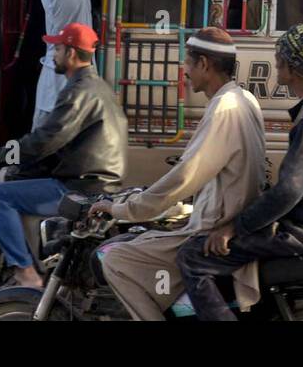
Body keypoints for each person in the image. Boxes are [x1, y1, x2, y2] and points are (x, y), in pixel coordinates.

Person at [177, 25, 303, 321]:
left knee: (192, 257)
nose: (275, 67)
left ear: (290, 67)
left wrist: (234, 227)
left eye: (279, 61)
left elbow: (291, 189)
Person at [92, 28, 267, 320]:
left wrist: (124, 209)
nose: (183, 70)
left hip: (211, 230)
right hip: (225, 220)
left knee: (116, 258)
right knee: (146, 240)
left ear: (204, 65)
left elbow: (185, 175)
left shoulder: (224, 108)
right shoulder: (243, 98)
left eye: (187, 62)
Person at [0, 22, 126, 289]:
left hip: (79, 187)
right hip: (97, 182)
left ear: (70, 53)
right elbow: (59, 145)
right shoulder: (98, 87)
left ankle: (25, 272)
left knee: (0, 196)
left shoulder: (78, 91)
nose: (52, 54)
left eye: (57, 48)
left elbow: (44, 141)